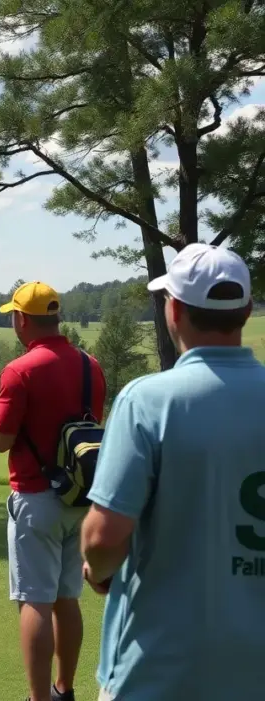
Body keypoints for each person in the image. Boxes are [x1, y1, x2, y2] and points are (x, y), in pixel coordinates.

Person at [81, 244, 265, 700]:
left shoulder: (147, 401)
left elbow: (103, 540)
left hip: (160, 670)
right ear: (244, 310)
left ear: (175, 310)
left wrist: (100, 570)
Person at [0, 281, 107, 701]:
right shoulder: (92, 365)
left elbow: (1, 439)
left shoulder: (19, 371)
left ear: (22, 319)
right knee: (67, 597)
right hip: (80, 498)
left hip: (35, 496)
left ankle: (38, 698)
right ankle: (65, 689)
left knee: (34, 599)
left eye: (14, 315)